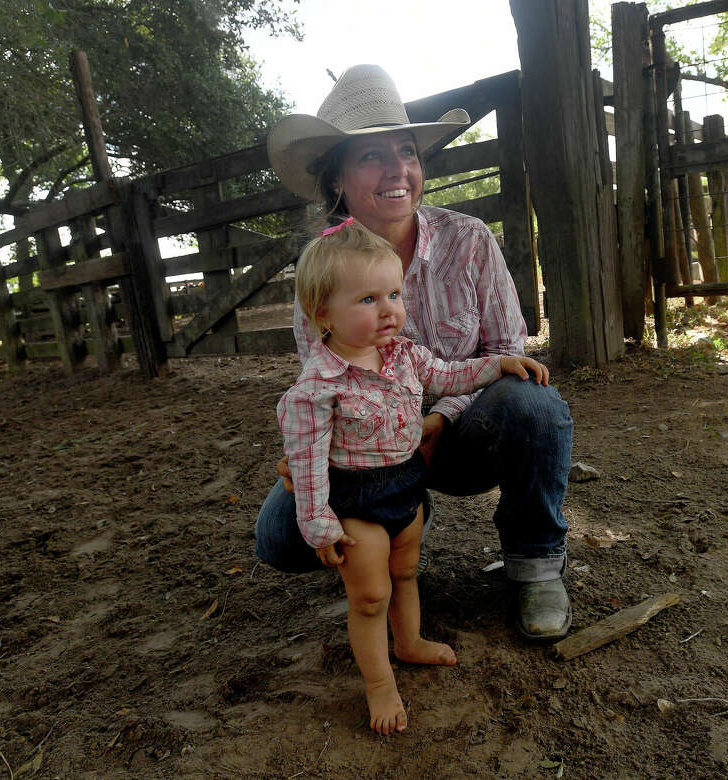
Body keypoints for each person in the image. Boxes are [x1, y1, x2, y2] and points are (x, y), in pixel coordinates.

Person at [256, 64, 574, 642]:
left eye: (407, 151)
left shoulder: (469, 240)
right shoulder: (320, 272)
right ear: (337, 181)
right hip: (366, 454)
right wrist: (310, 457)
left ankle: (536, 564)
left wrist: (438, 417)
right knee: (279, 537)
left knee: (534, 404)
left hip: (461, 436)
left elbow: (507, 352)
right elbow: (321, 378)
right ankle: (374, 555)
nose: (398, 169)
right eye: (373, 157)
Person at [279, 218, 550, 735]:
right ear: (322, 315)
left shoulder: (404, 354)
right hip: (354, 499)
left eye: (394, 294)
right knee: (369, 594)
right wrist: (317, 520)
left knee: (406, 573)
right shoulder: (316, 387)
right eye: (367, 300)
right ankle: (379, 683)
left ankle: (409, 642)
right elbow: (307, 460)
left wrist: (498, 365)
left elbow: (447, 374)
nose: (388, 310)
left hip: (406, 481)